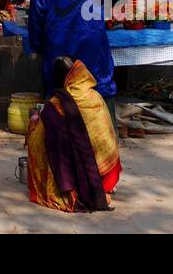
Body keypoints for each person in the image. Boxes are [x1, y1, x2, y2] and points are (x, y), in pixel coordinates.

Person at [25, 57, 120, 213]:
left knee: (36, 135)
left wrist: (35, 121)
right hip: (102, 166)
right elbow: (107, 134)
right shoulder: (96, 97)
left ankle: (69, 185)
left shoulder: (55, 105)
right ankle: (103, 185)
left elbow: (46, 139)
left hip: (73, 167)